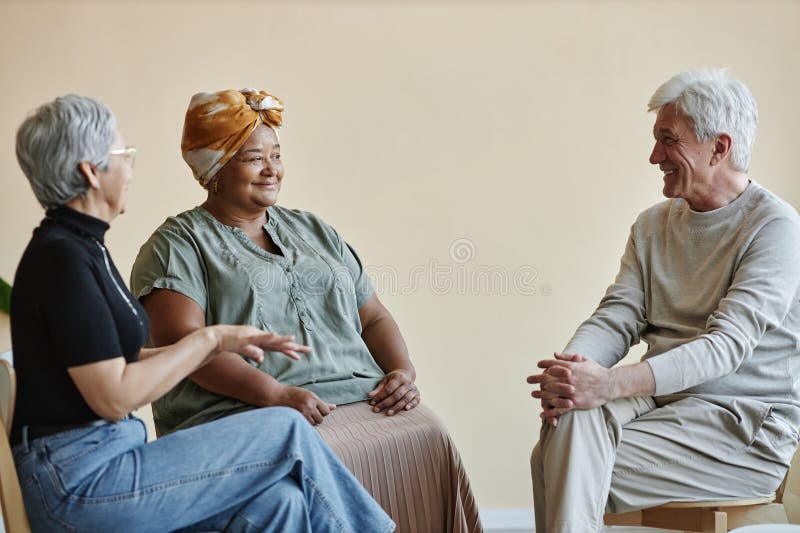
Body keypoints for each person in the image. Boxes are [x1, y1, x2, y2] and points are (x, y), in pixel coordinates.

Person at [10, 94, 394, 533]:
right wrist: (207, 341)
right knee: (286, 430)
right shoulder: (62, 260)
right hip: (80, 485)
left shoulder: (81, 248)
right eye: (124, 155)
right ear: (90, 172)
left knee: (280, 504)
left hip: (105, 462)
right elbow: (113, 396)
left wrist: (222, 340)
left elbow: (121, 364)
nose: (131, 169)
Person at [130, 88, 482, 533]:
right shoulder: (176, 245)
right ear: (215, 168)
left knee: (428, 432)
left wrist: (402, 373)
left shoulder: (313, 229)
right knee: (326, 455)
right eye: (254, 157)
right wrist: (275, 395)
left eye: (277, 155)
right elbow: (188, 348)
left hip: (361, 396)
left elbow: (372, 316)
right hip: (252, 415)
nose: (272, 168)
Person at [527, 69, 800, 533]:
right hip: (662, 403)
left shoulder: (775, 228)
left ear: (720, 147)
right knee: (568, 424)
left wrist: (609, 384)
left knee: (559, 460)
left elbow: (726, 346)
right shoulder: (652, 226)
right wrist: (575, 372)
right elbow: (618, 316)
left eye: (668, 140)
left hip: (742, 424)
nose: (654, 156)